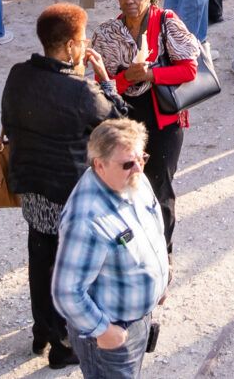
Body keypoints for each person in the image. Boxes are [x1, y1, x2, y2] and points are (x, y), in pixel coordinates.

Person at [0, 4, 125, 368]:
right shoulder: (82, 90)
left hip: (30, 186)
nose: (86, 45)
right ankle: (63, 343)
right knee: (69, 270)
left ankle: (41, 330)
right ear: (71, 46)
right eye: (83, 39)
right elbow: (119, 125)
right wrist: (104, 80)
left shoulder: (19, 74)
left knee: (40, 259)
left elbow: (8, 119)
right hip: (67, 193)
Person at [88, 0, 200, 250]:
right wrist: (128, 77)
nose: (129, 0)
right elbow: (104, 85)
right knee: (125, 188)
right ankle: (135, 250)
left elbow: (189, 69)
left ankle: (163, 253)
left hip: (163, 121)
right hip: (125, 122)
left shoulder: (166, 22)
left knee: (159, 189)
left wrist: (151, 75)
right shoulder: (109, 34)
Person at [52, 119, 169, 379]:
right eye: (127, 164)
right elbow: (66, 292)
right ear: (99, 164)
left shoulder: (133, 179)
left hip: (138, 319)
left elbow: (153, 231)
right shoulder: (87, 219)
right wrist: (103, 330)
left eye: (141, 158)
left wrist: (161, 281)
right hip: (112, 337)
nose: (138, 168)